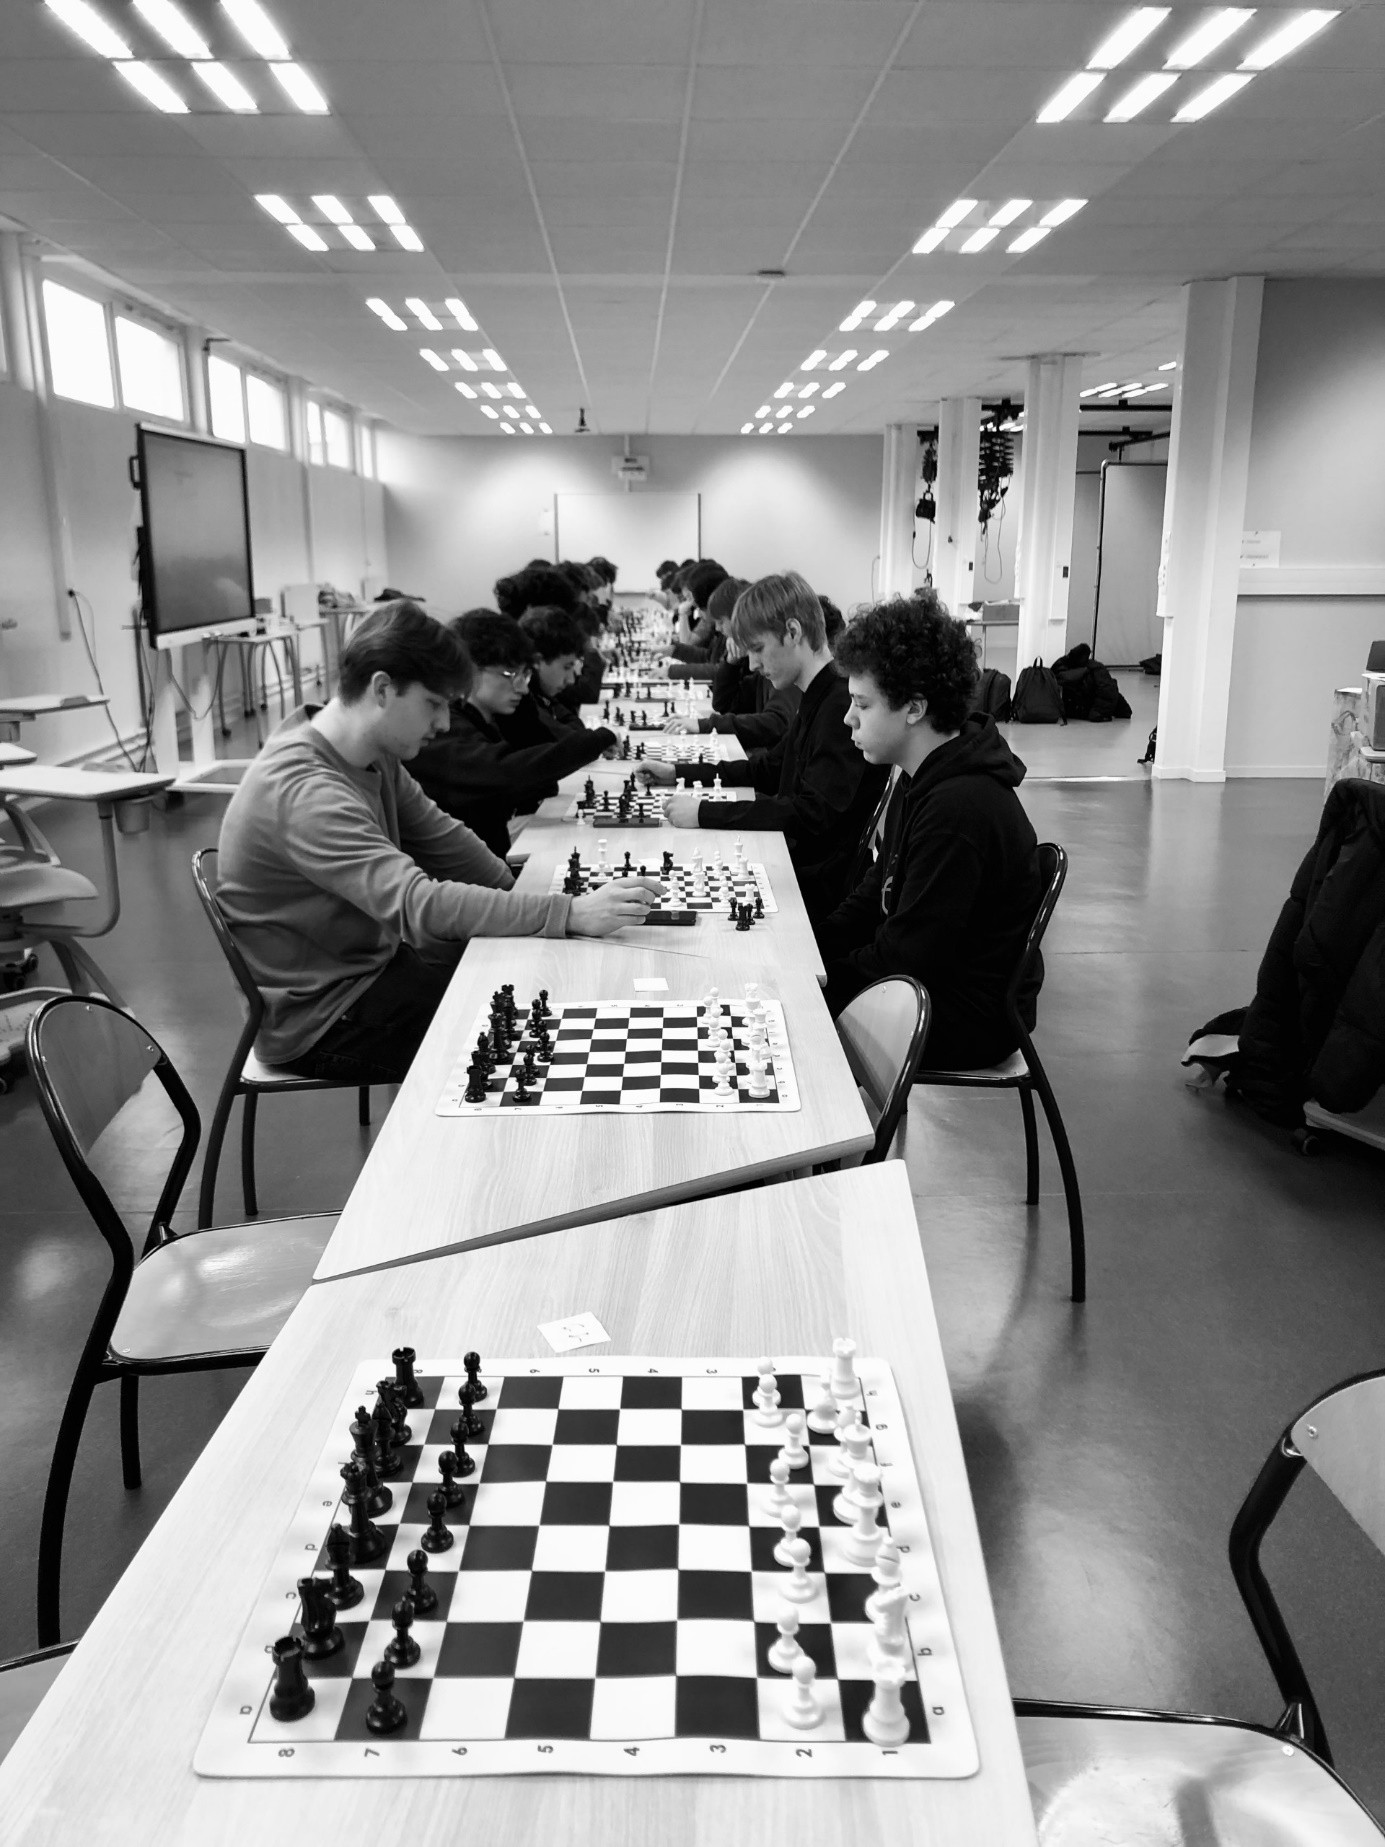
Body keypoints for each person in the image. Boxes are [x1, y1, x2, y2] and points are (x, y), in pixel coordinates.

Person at [215, 601, 660, 1085]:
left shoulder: (368, 753)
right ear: (383, 689)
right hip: (324, 1016)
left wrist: (524, 898)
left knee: (538, 991)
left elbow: (444, 837)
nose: (446, 723)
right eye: (434, 703)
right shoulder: (304, 790)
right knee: (538, 1049)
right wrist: (567, 913)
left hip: (373, 971)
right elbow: (420, 904)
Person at [816, 591, 1046, 1066]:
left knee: (785, 1021)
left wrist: (813, 979)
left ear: (915, 708)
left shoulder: (960, 809)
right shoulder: (921, 774)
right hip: (927, 984)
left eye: (863, 703)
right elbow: (876, 890)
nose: (848, 718)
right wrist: (810, 947)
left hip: (961, 1015)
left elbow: (906, 956)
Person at [642, 572, 887, 919]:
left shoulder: (836, 706)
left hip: (812, 895)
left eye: (758, 649)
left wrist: (704, 812)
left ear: (793, 632)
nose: (753, 665)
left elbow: (811, 815)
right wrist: (678, 772)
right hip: (792, 867)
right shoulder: (816, 695)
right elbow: (768, 769)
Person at [411, 612, 617, 857]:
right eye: (510, 675)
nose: (521, 687)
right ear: (471, 670)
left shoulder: (496, 716)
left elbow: (543, 780)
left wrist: (523, 708)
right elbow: (505, 772)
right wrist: (597, 740)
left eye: (525, 675)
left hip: (491, 862)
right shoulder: (444, 730)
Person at [663, 577, 801, 749]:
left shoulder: (784, 669)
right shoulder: (754, 662)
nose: (717, 628)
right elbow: (724, 704)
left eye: (721, 621)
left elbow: (775, 724)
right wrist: (731, 663)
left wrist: (705, 725)